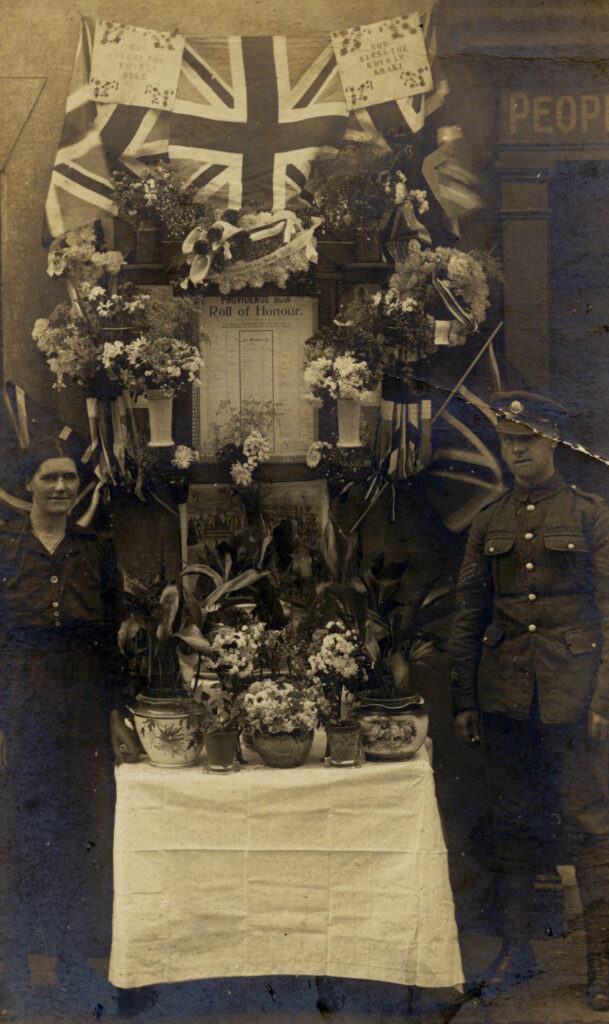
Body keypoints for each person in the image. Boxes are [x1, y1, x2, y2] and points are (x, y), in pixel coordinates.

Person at [449, 391, 609, 1010]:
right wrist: (465, 696)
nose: (517, 452)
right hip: (507, 694)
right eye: (509, 442)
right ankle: (519, 954)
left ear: (556, 445)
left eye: (529, 441)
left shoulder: (592, 515)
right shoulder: (489, 521)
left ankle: (603, 963)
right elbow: (470, 612)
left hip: (575, 698)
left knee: (591, 825)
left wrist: (604, 698)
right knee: (514, 820)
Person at [0, 437, 140, 1018]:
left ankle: (81, 965)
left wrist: (113, 715)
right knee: (24, 838)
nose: (61, 488)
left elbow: (110, 643)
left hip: (83, 710)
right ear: (27, 485)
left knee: (85, 836)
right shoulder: (6, 550)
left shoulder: (95, 550)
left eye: (69, 479)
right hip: (21, 709)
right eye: (49, 477)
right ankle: (16, 969)